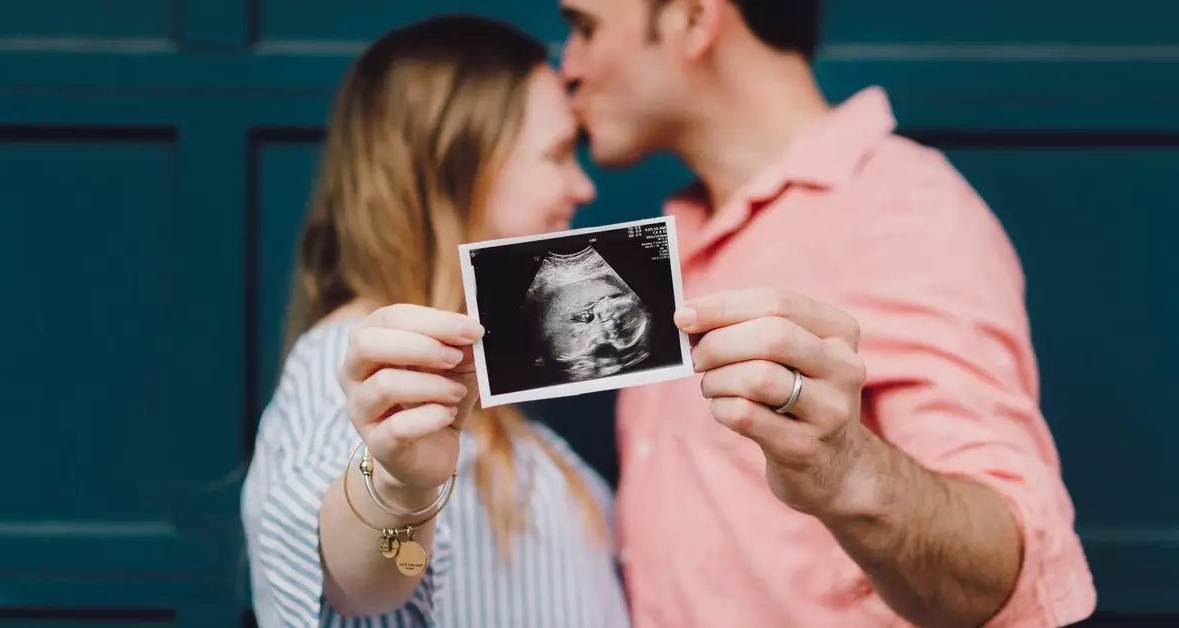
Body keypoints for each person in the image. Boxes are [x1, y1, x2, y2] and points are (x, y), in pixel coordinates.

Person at [558, 0, 1097, 626]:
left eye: (586, 27)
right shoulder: (672, 237)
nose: (567, 66)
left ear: (692, 19)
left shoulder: (902, 213)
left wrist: (844, 470)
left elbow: (1009, 573)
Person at [240, 15, 632, 628]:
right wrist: (400, 490)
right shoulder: (357, 366)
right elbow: (353, 583)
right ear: (455, 168)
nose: (582, 187)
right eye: (556, 154)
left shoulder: (486, 399)